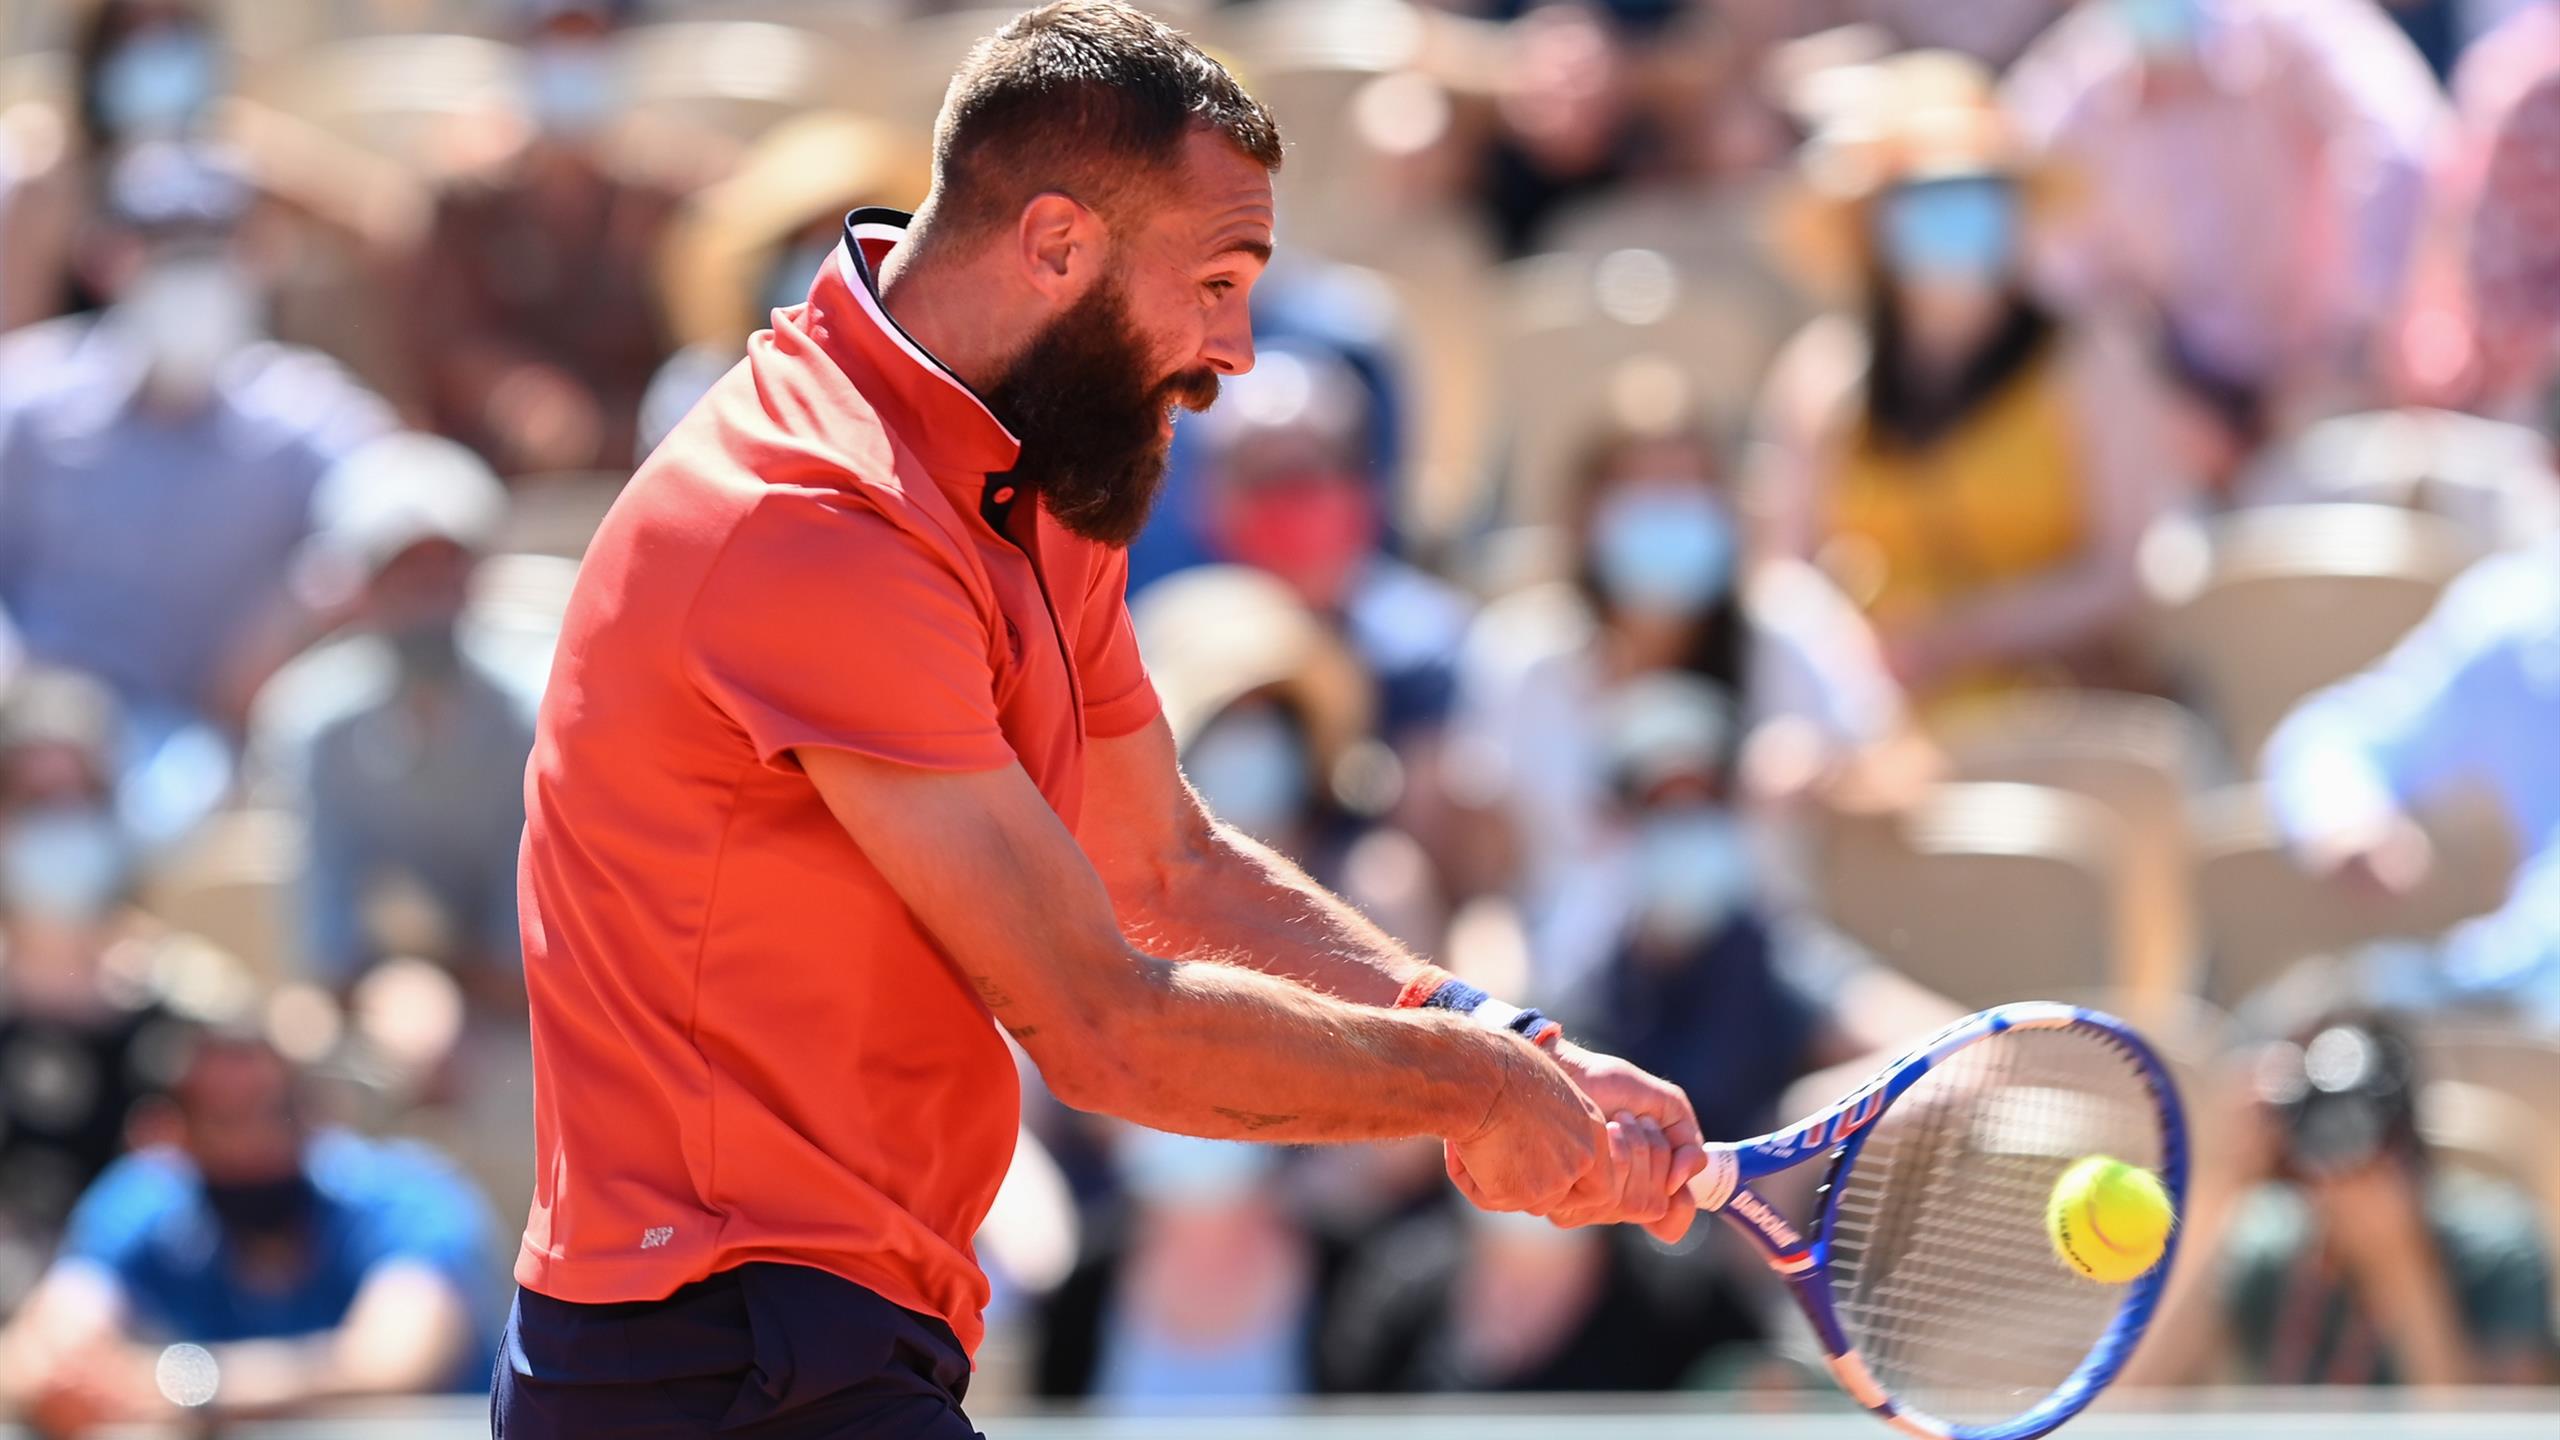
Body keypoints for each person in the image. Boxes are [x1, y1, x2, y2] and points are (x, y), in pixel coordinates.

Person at [495, 6, 1704, 1437]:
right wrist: (1469, 1090)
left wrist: (1508, 1044)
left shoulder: (1031, 455)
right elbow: (1103, 1028)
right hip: (708, 1357)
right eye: (1217, 281)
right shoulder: (806, 521)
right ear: (1059, 246)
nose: (1240, 348)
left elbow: (1163, 870)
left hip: (813, 1341)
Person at [1757, 49, 2176, 718]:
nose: (1954, 211)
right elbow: (1786, 581)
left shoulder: (2092, 361)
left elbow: (2121, 574)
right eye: (1923, 194)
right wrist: (1853, 659)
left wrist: (1960, 639)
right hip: (1875, 724)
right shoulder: (1823, 378)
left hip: (2061, 716)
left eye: (1980, 188)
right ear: (1873, 221)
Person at [0, 140, 393, 843]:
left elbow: (405, 504)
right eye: (165, 251)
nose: (190, 276)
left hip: (203, 748)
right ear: (106, 259)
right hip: (30, 737)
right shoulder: (28, 396)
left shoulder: (302, 411)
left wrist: (302, 606)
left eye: (209, 251)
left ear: (255, 257)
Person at [1452, 389, 1905, 992]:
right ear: (1585, 515)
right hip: (1577, 1002)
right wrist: (1491, 1012)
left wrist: (1822, 770)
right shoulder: (1518, 654)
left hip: (1773, 989)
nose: (1669, 514)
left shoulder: (1793, 625)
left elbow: (1903, 773)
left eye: (1688, 489)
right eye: (1644, 493)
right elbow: (1487, 885)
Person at [0, 1025, 498, 1432]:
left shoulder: (408, 1198)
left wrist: (187, 1385)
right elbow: (50, 1340)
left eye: (272, 1110)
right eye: (224, 1118)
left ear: (316, 1113)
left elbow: (393, 1361)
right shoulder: (146, 1200)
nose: (252, 1141)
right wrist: (64, 1381)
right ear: (169, 1132)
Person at [1553, 674, 1957, 1143]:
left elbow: (1960, 1052)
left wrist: (1806, 1121)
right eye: (1659, 805)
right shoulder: (1588, 990)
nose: (1685, 826)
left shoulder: (1778, 960)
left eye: (1706, 800)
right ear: (1616, 823)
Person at [2004, 0, 2444, 420]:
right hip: (2184, 404)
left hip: (2342, 383)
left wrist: (2351, 349)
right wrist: (2163, 394)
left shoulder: (2294, 25)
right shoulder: (2070, 83)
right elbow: (2036, 243)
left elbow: (2400, 146)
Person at [244, 432, 535, 999]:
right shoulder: (309, 723)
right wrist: (401, 996)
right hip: (374, 1014)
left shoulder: (536, 714)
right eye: (404, 572)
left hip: (527, 1016)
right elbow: (323, 944)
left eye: (446, 568)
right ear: (361, 588)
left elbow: (531, 940)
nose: (429, 594)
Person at [2142, 1011, 2555, 1384]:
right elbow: (2135, 1405)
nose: (2340, 1154)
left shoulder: (2498, 1254)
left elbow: (2503, 1427)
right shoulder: (2265, 1248)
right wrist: (2231, 1181)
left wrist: (2405, 1275)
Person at [2260, 536, 2560, 1023]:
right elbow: (2331, 736)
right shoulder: (2525, 612)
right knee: (2300, 1028)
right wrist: (2350, 819)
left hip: (2515, 986)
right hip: (2513, 991)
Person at [410, 0, 681, 476]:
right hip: (494, 466)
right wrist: (519, 396)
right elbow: (446, 338)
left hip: (640, 458)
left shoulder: (662, 199)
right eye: (557, 41)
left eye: (588, 41)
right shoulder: (468, 199)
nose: (573, 60)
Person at [0, 668, 188, 1304]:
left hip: (139, 1351)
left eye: (82, 797)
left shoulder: (187, 1007)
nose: (62, 823)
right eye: (34, 800)